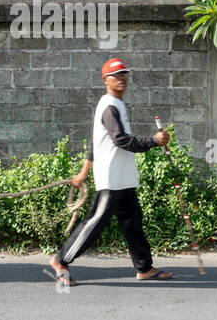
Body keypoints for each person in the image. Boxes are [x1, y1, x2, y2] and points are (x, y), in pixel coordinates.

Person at [47, 57, 173, 286]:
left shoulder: (115, 104)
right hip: (111, 178)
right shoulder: (109, 106)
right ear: (106, 79)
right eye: (116, 75)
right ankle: (60, 260)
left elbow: (94, 142)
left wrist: (83, 173)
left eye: (124, 74)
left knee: (133, 222)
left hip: (123, 177)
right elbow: (120, 140)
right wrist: (154, 141)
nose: (122, 78)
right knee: (96, 222)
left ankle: (144, 268)